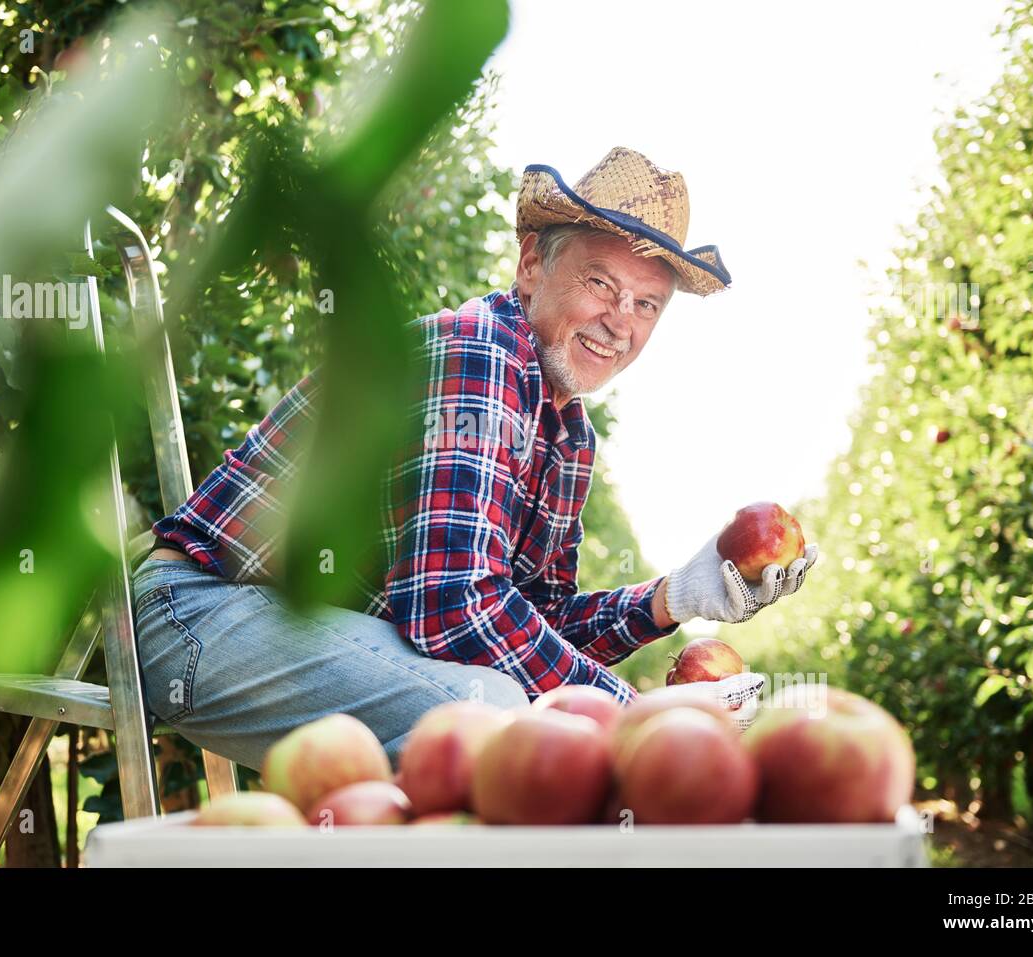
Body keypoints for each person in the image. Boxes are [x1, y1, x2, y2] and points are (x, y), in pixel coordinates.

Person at [132, 146, 818, 768]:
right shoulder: (478, 352)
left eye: (646, 304)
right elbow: (454, 608)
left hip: (295, 631)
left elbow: (529, 622)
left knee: (521, 715)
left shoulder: (568, 433)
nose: (621, 321)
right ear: (529, 266)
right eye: (601, 284)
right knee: (493, 714)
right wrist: (640, 717)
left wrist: (670, 599)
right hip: (197, 618)